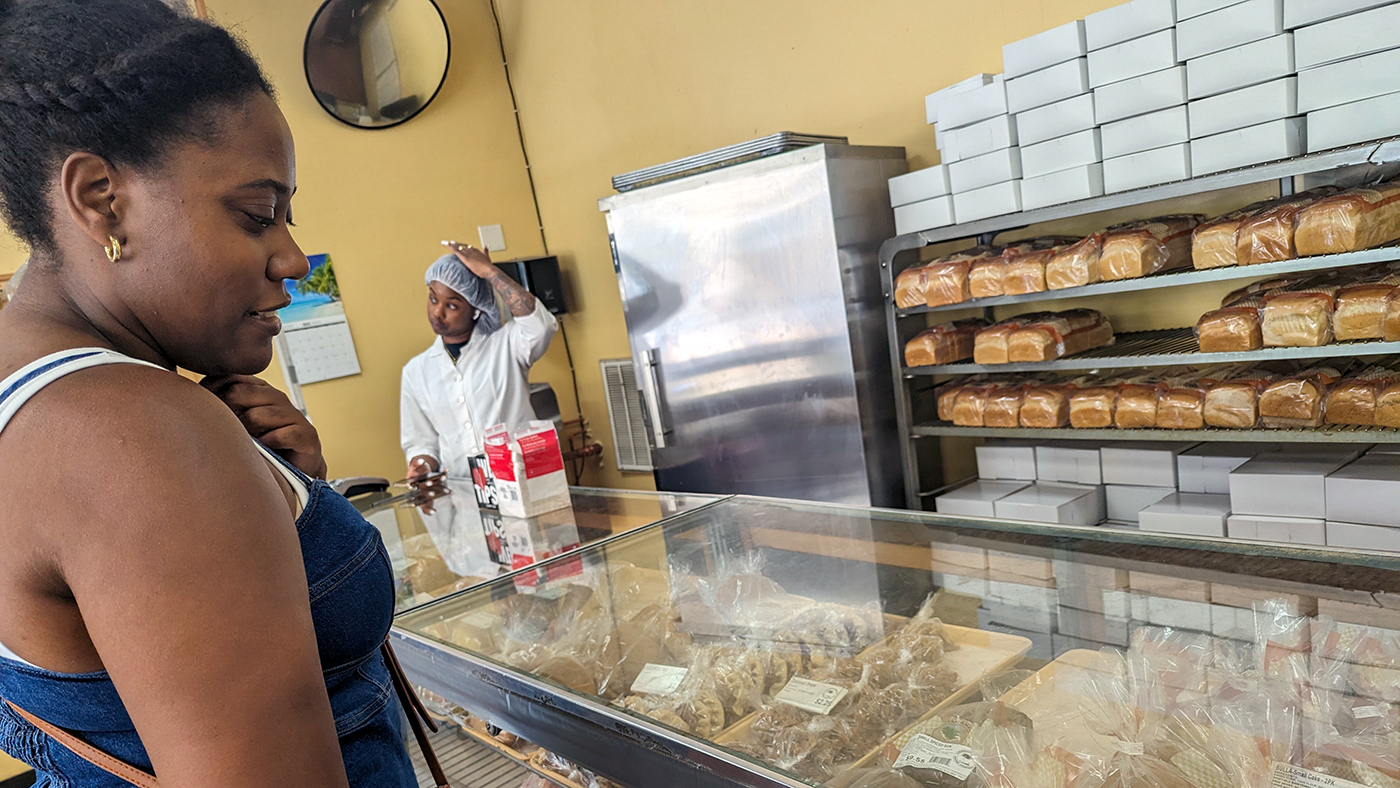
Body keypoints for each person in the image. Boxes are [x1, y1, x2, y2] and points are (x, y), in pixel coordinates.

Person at [0, 2, 416, 786]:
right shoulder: (137, 436)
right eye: (258, 215)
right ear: (100, 198)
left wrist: (283, 495)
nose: (293, 259)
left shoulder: (32, 401)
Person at [400, 241, 558, 483]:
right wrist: (421, 464)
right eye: (433, 299)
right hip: (466, 498)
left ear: (476, 309)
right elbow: (421, 442)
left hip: (525, 484)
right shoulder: (416, 372)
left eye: (452, 305)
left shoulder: (506, 345)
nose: (437, 312)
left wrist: (489, 272)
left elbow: (541, 326)